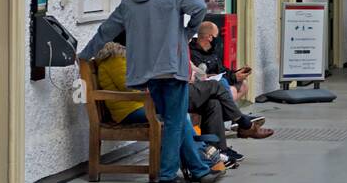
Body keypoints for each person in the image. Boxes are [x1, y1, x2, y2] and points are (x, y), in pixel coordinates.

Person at [78, 0, 225, 183]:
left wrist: (84, 55)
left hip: (147, 73)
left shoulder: (129, 3)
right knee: (176, 121)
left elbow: (105, 31)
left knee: (174, 119)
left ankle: (199, 170)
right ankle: (168, 176)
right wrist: (188, 32)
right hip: (171, 69)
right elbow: (199, 6)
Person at [95, 42, 270, 169]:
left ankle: (218, 151)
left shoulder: (124, 57)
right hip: (137, 109)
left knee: (212, 103)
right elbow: (133, 87)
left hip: (154, 101)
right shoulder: (115, 58)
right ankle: (244, 124)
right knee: (215, 87)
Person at [190, 20, 251, 98]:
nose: (218, 38)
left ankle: (226, 108)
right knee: (232, 90)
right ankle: (228, 109)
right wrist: (233, 77)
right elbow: (203, 78)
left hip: (219, 83)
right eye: (217, 35)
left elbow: (222, 70)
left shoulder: (211, 51)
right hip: (204, 89)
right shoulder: (193, 53)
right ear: (210, 37)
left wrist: (237, 73)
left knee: (243, 84)